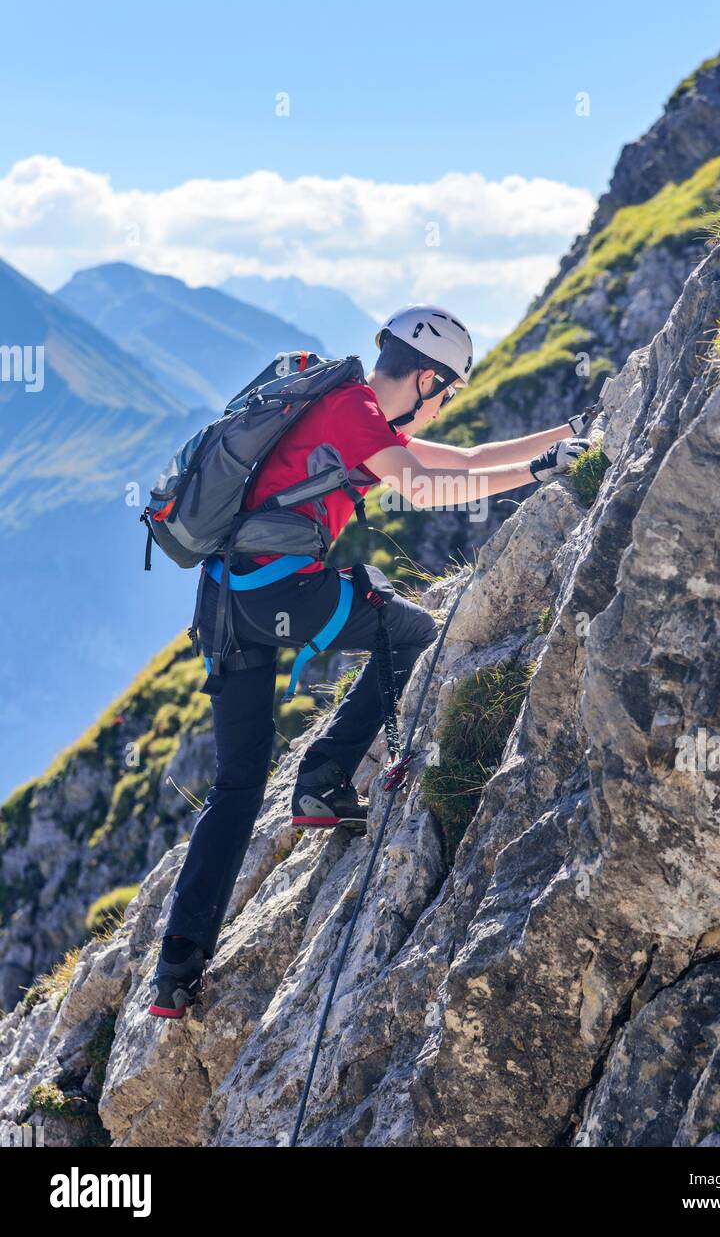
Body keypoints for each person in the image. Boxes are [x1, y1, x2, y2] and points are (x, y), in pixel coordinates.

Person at [150, 306, 589, 1016]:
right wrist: (543, 469)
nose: (443, 405)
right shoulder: (354, 412)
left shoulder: (351, 414)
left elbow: (470, 461)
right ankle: (323, 778)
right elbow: (422, 487)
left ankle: (176, 972)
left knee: (235, 788)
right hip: (277, 589)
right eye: (445, 392)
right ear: (423, 378)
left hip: (227, 603)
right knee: (409, 631)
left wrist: (563, 438)